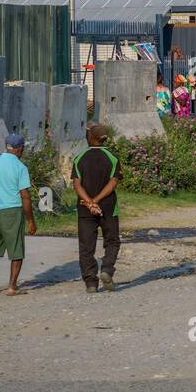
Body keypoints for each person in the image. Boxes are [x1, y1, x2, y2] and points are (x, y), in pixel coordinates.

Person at [0, 132, 36, 297]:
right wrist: (30, 220)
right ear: (20, 149)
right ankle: (12, 286)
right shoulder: (20, 167)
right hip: (13, 212)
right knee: (16, 250)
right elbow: (25, 195)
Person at [72, 122, 122, 293]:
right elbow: (113, 183)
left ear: (91, 137)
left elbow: (77, 185)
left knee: (86, 246)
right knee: (112, 241)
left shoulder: (79, 158)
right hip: (108, 207)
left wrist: (89, 202)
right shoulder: (113, 158)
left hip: (85, 208)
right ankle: (107, 270)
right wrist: (97, 200)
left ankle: (90, 283)